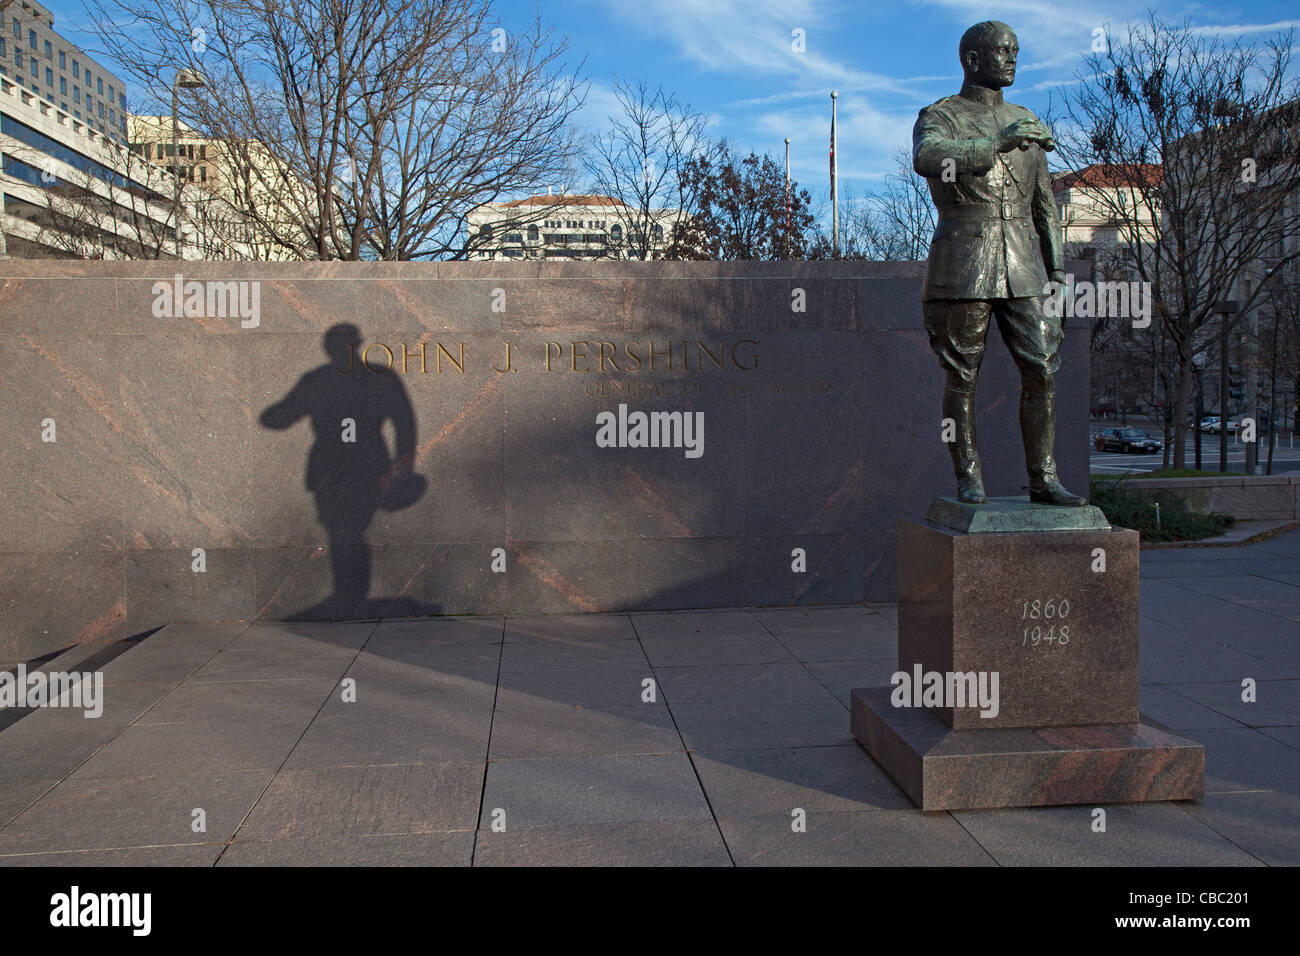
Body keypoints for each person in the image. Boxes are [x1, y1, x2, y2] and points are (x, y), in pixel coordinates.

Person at [913, 19, 1086, 506]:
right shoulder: (942, 115)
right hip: (964, 257)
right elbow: (928, 157)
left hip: (1024, 264)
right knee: (963, 374)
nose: (1012, 59)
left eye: (1016, 51)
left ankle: (1044, 478)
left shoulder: (1025, 119)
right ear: (971, 59)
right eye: (1002, 51)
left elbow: (1044, 208)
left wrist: (1056, 273)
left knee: (1043, 369)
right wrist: (997, 144)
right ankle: (968, 475)